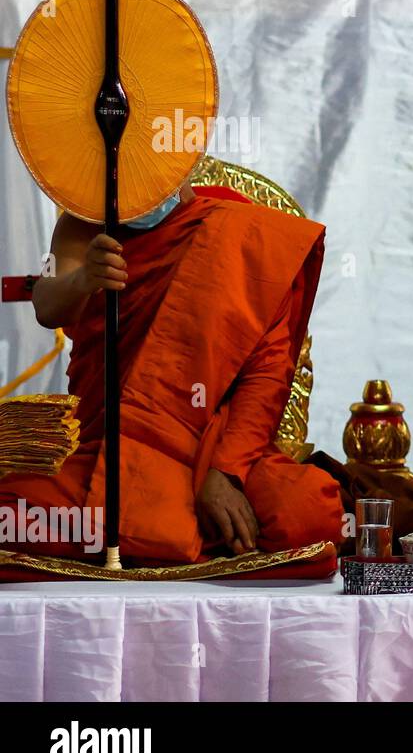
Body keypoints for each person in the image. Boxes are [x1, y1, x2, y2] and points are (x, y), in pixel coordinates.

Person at [0, 183, 344, 568]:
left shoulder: (243, 231)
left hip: (213, 445)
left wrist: (226, 474)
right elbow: (47, 305)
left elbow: (266, 375)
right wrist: (85, 279)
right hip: (110, 448)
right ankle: (193, 539)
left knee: (310, 513)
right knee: (11, 516)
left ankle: (156, 537)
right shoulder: (82, 226)